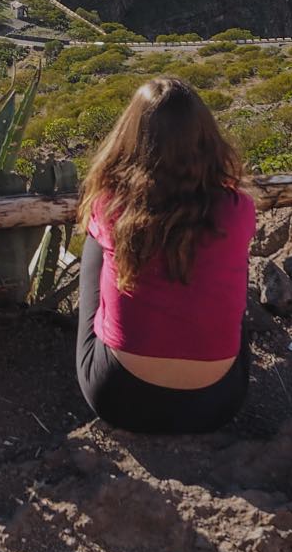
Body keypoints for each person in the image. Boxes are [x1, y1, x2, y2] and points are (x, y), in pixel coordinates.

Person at [75, 76, 257, 434]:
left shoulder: (110, 206)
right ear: (205, 139)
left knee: (95, 243)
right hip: (218, 404)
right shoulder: (238, 209)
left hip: (119, 399)